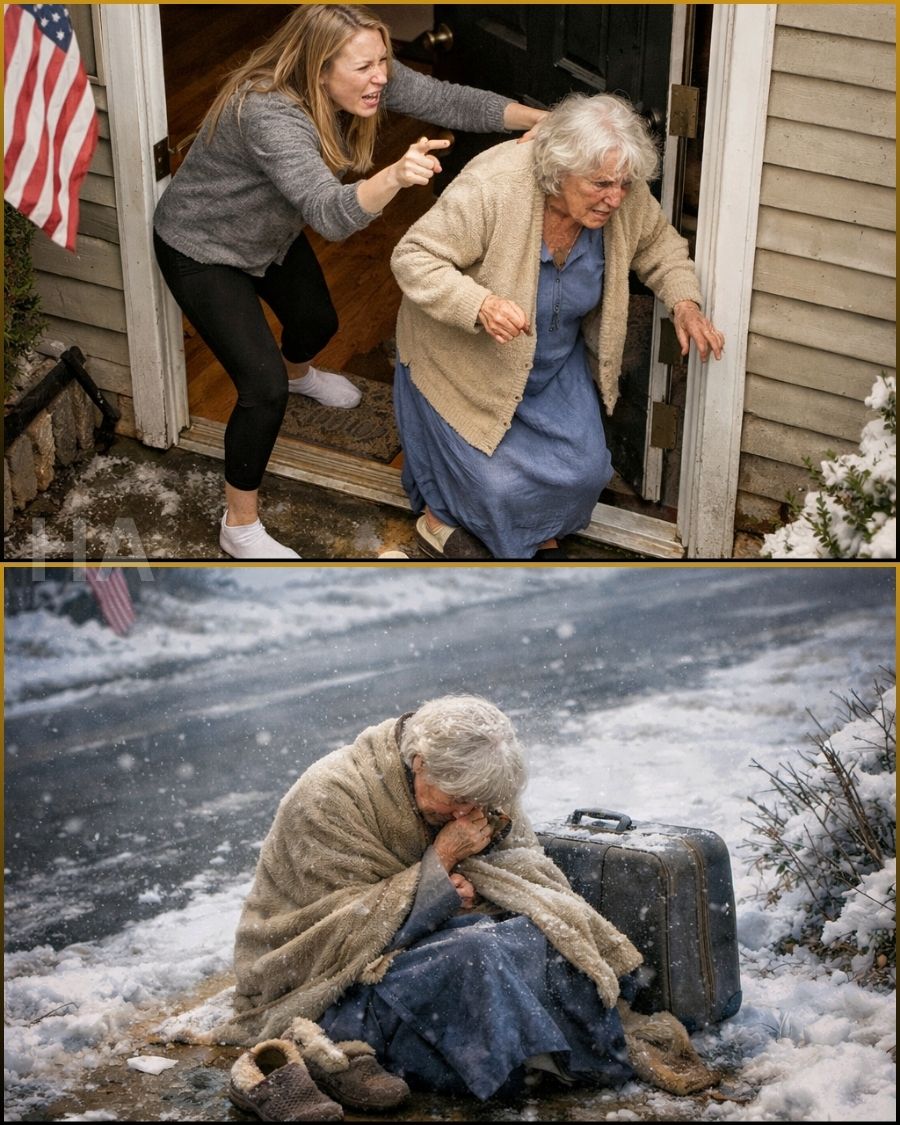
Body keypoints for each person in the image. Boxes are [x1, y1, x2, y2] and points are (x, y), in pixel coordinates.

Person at [153, 5, 546, 559]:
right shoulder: (268, 111)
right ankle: (238, 525)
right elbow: (330, 215)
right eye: (364, 67)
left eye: (382, 61)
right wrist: (395, 175)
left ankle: (299, 376)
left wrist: (540, 121)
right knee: (261, 390)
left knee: (317, 323)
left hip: (268, 237)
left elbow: (449, 100)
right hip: (203, 247)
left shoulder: (368, 78)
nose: (380, 77)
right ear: (319, 70)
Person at [212, 695, 718, 1114]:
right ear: (419, 764)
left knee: (549, 932)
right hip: (337, 972)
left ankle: (539, 1052)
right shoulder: (330, 796)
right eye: (455, 803)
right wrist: (440, 868)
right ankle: (530, 1058)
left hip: (440, 935)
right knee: (472, 956)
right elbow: (338, 932)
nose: (468, 815)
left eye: (480, 805)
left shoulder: (479, 786)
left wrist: (472, 888)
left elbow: (525, 871)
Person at [389, 92, 726, 560]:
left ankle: (528, 530)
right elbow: (412, 258)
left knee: (586, 472)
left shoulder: (621, 198)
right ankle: (439, 519)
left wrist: (685, 303)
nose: (615, 198)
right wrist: (479, 303)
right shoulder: (494, 186)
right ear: (559, 170)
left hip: (550, 363)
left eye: (625, 183)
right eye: (601, 184)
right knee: (497, 486)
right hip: (464, 363)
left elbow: (659, 246)